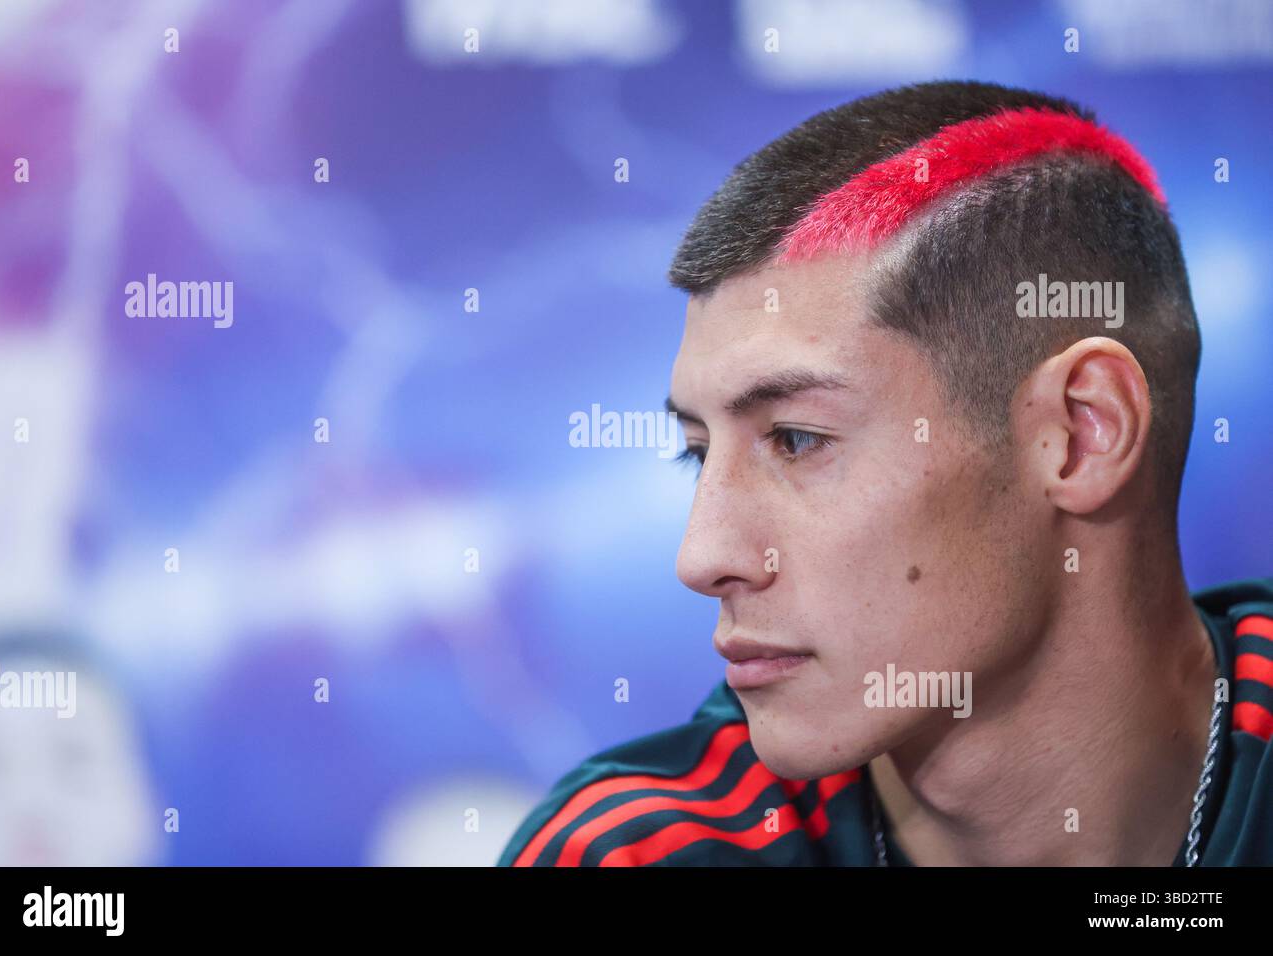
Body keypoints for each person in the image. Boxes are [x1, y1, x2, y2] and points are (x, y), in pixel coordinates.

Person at [499, 80, 1271, 867]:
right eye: (698, 452)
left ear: (1082, 433)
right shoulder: (641, 853)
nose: (702, 559)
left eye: (797, 440)